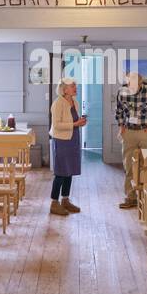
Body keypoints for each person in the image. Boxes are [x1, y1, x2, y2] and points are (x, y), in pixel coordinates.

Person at [115, 70, 147, 209]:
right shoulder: (122, 91)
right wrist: (121, 125)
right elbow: (119, 111)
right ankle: (131, 197)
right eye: (129, 83)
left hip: (145, 131)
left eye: (135, 84)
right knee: (129, 166)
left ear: (141, 82)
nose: (132, 87)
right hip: (128, 132)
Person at [48, 77, 87, 216]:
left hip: (73, 139)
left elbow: (74, 121)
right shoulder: (58, 103)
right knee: (60, 172)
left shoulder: (74, 101)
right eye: (72, 86)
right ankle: (54, 203)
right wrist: (75, 124)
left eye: (75, 85)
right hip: (62, 141)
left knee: (69, 171)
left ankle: (65, 200)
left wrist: (80, 122)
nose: (75, 87)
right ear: (64, 89)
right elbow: (57, 125)